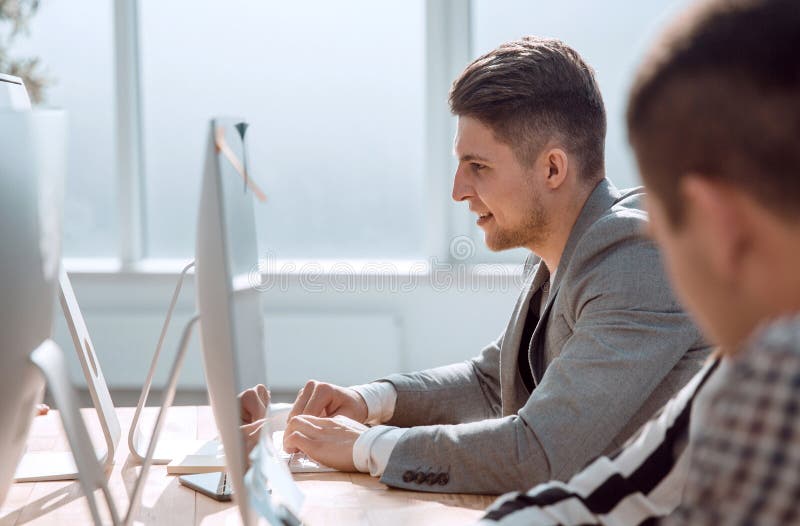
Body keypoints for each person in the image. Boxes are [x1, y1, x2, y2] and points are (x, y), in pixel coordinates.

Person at [241, 37, 709, 495]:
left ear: (552, 169)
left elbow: (538, 453)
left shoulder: (634, 258)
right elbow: (491, 381)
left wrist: (367, 447)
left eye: (478, 166)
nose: (458, 190)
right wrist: (369, 402)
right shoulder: (564, 247)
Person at [477, 0, 800, 522]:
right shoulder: (736, 372)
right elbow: (627, 488)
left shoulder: (779, 372)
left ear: (717, 227)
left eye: (665, 227)